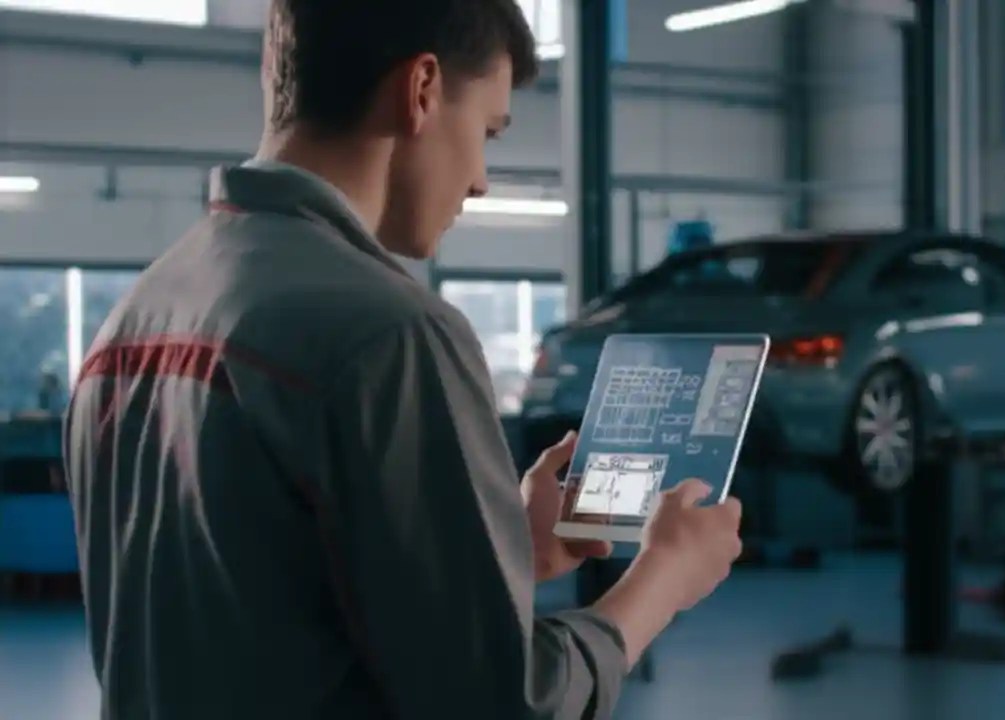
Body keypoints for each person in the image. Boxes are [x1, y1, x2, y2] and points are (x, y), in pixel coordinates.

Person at [62, 1, 744, 718]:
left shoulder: (133, 318)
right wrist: (663, 579)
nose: (480, 179)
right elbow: (505, 704)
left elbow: (255, 612)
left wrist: (509, 549)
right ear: (421, 89)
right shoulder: (391, 334)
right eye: (486, 131)